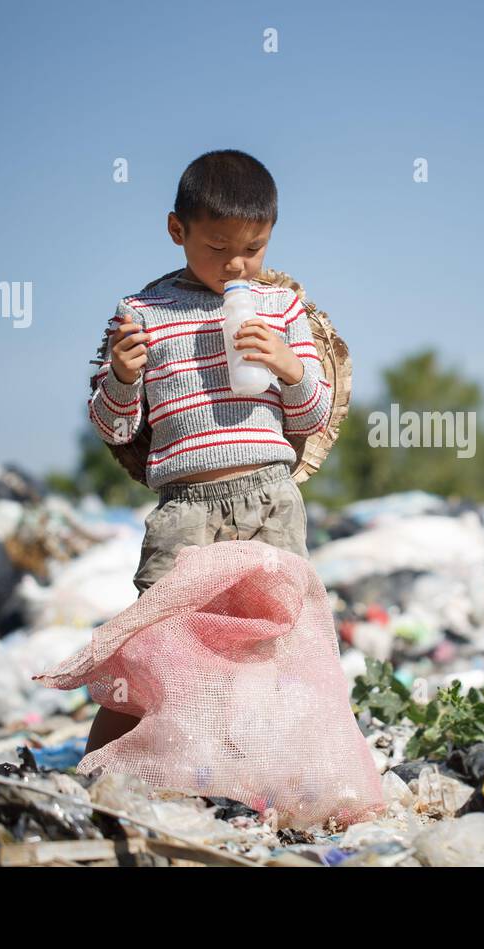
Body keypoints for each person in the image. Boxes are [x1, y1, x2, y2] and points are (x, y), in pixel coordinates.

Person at [83, 148, 333, 755]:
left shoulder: (283, 309)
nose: (237, 265)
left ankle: (255, 768)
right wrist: (119, 376)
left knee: (271, 648)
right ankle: (96, 771)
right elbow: (116, 430)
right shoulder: (144, 315)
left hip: (271, 502)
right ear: (178, 231)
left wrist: (288, 366)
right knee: (155, 652)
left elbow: (315, 416)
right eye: (217, 248)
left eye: (254, 247)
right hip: (186, 511)